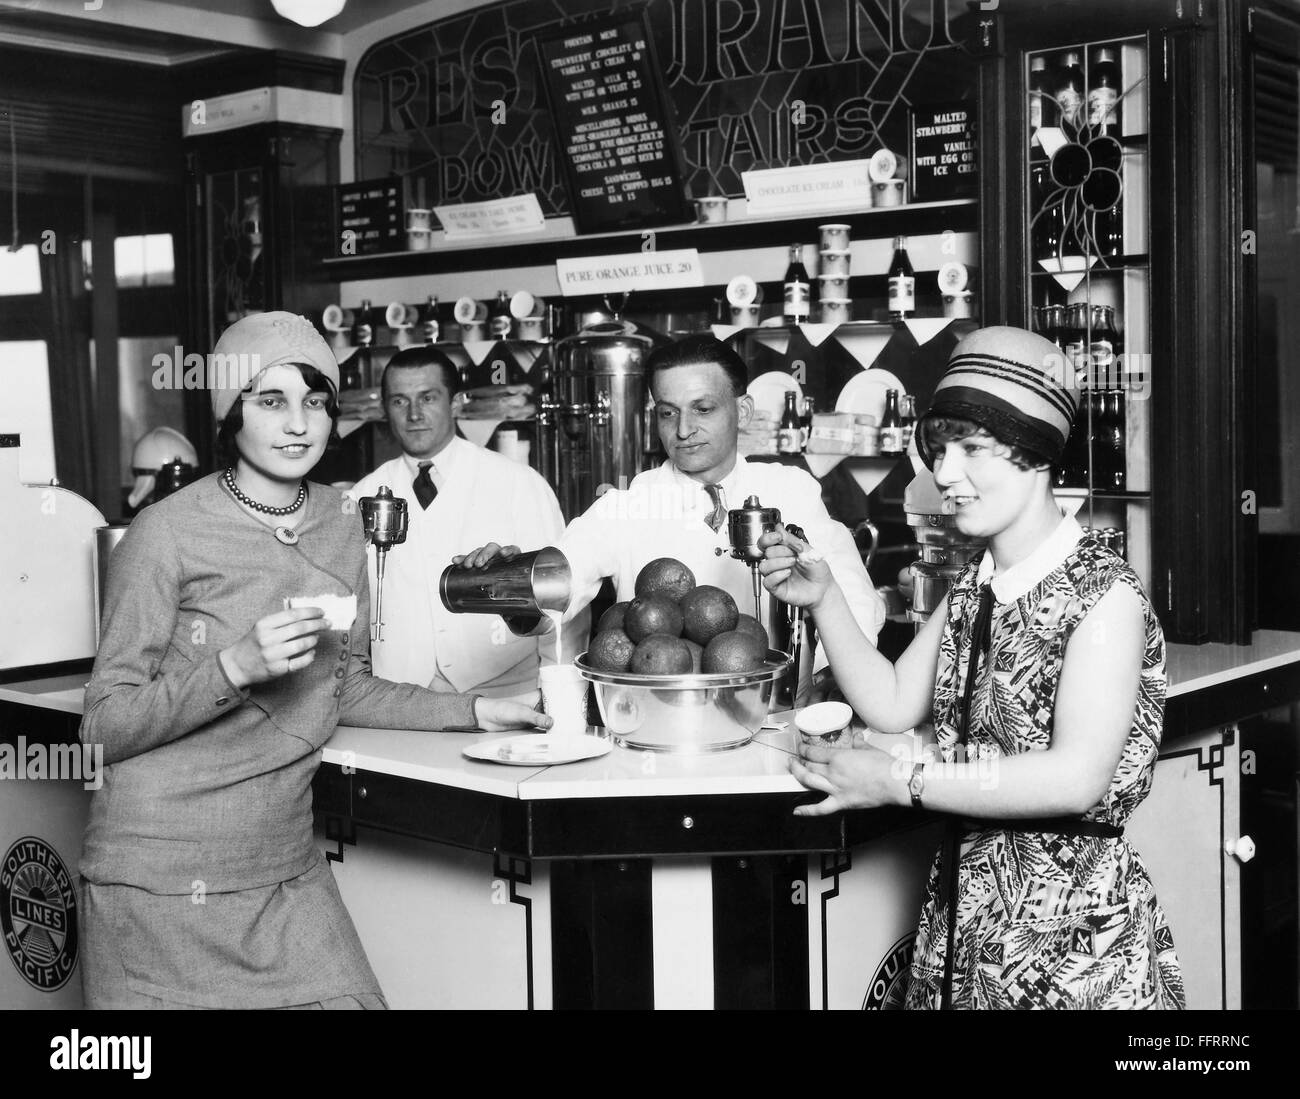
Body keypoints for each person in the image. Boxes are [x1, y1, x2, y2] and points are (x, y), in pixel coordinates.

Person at [78, 312, 548, 1010]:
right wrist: (232, 667)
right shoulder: (164, 532)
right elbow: (100, 728)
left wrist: (474, 711)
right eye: (271, 401)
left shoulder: (341, 520)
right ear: (231, 415)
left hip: (283, 867)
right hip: (157, 880)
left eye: (317, 401)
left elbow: (344, 685)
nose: (300, 423)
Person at [761, 326, 1185, 1010]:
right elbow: (894, 701)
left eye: (972, 449)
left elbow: (1075, 778)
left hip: (1071, 954)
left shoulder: (1105, 595)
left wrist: (899, 780)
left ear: (1037, 454)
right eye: (939, 449)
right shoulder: (977, 582)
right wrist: (826, 599)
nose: (945, 473)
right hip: (961, 932)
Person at [457, 334, 885, 694]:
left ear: (743, 411)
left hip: (773, 717)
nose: (683, 430)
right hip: (656, 721)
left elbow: (852, 594)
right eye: (668, 412)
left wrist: (835, 675)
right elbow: (564, 578)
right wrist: (514, 582)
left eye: (703, 409)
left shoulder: (791, 490)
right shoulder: (626, 502)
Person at [347, 346, 581, 702]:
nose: (414, 414)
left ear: (455, 402)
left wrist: (560, 700)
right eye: (399, 401)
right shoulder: (361, 496)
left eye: (427, 398)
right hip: (398, 701)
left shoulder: (519, 483)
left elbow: (564, 602)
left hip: (507, 695)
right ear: (384, 409)